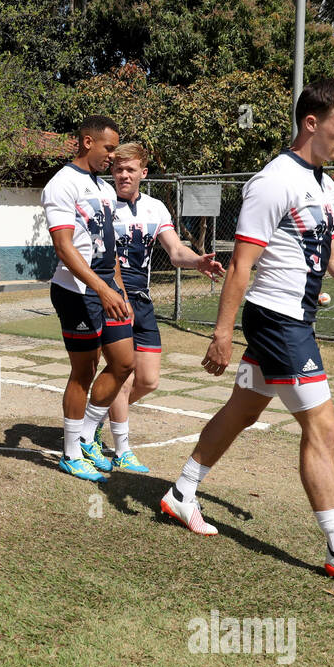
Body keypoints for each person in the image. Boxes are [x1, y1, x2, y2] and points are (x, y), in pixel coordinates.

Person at [160, 78, 334, 587]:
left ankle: (181, 492)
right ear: (310, 123)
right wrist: (221, 333)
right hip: (278, 322)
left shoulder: (325, 185)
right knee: (324, 428)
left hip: (293, 319)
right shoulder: (273, 181)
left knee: (243, 411)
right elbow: (240, 266)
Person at [91, 143, 225, 471]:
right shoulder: (102, 205)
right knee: (122, 374)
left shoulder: (156, 208)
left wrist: (198, 262)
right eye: (118, 169)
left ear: (142, 173)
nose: (123, 175)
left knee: (148, 380)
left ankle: (92, 417)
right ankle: (122, 449)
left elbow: (176, 250)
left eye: (130, 169)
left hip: (143, 300)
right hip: (110, 298)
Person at [41, 114, 134, 484]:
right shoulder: (61, 185)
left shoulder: (106, 189)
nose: (113, 156)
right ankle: (70, 453)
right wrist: (101, 288)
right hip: (75, 292)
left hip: (107, 289)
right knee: (84, 371)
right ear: (86, 142)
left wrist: (118, 290)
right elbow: (64, 248)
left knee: (125, 362)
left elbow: (107, 248)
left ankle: (86, 432)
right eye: (109, 148)